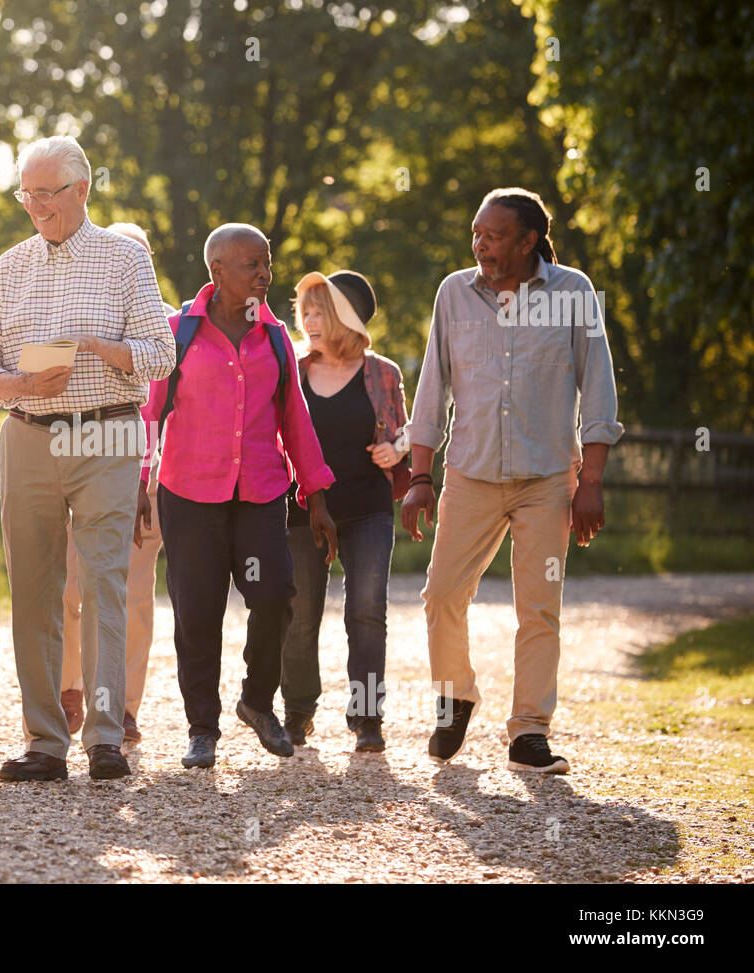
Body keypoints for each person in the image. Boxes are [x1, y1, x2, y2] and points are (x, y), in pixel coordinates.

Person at [0, 136, 176, 782]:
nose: (34, 204)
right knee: (34, 589)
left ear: (82, 191)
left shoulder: (124, 261)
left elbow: (161, 354)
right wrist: (20, 385)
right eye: (26, 192)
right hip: (28, 433)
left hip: (107, 434)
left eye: (46, 192)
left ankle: (106, 737)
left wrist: (104, 350)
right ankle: (45, 742)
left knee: (106, 581)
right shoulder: (9, 267)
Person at [403, 187, 624, 774]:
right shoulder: (454, 292)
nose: (480, 244)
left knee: (539, 606)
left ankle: (529, 732)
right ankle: (456, 696)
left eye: (493, 235)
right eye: (476, 233)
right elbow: (433, 386)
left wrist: (592, 481)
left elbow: (598, 386)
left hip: (548, 477)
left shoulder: (572, 292)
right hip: (470, 472)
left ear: (528, 241)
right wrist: (419, 474)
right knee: (443, 593)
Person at [138, 223, 338, 770]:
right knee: (196, 613)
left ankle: (256, 700)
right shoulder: (178, 333)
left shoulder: (273, 337)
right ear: (217, 271)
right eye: (252, 264)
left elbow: (294, 417)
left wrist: (316, 494)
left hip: (260, 491)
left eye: (267, 263)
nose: (264, 274)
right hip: (189, 493)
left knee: (274, 594)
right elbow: (150, 413)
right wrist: (140, 481)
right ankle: (202, 728)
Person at [278, 270, 408, 755]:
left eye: (320, 311)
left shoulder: (383, 373)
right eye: (305, 311)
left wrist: (396, 450)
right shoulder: (291, 368)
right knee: (299, 613)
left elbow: (401, 432)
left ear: (343, 319)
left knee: (367, 612)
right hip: (302, 509)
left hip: (367, 508)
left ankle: (367, 718)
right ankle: (297, 715)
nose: (308, 320)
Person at [57, 221, 176, 746]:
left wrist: (148, 480)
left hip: (148, 481)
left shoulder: (172, 328)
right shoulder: (78, 318)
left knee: (133, 595)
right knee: (70, 587)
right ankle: (70, 689)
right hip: (79, 468)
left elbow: (180, 415)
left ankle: (124, 705)